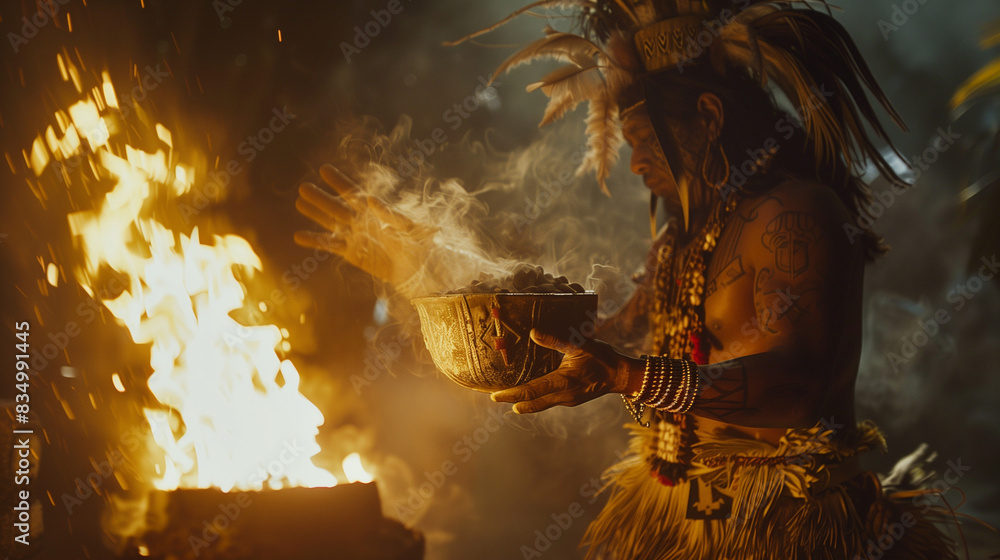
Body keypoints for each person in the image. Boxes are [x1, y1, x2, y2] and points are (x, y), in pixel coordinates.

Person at [295, 1, 960, 558]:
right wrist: (422, 279)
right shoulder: (680, 240)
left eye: (645, 137)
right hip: (678, 526)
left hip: (788, 531)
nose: (637, 160)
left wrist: (626, 377)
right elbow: (583, 342)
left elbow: (797, 388)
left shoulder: (794, 215)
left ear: (709, 117)